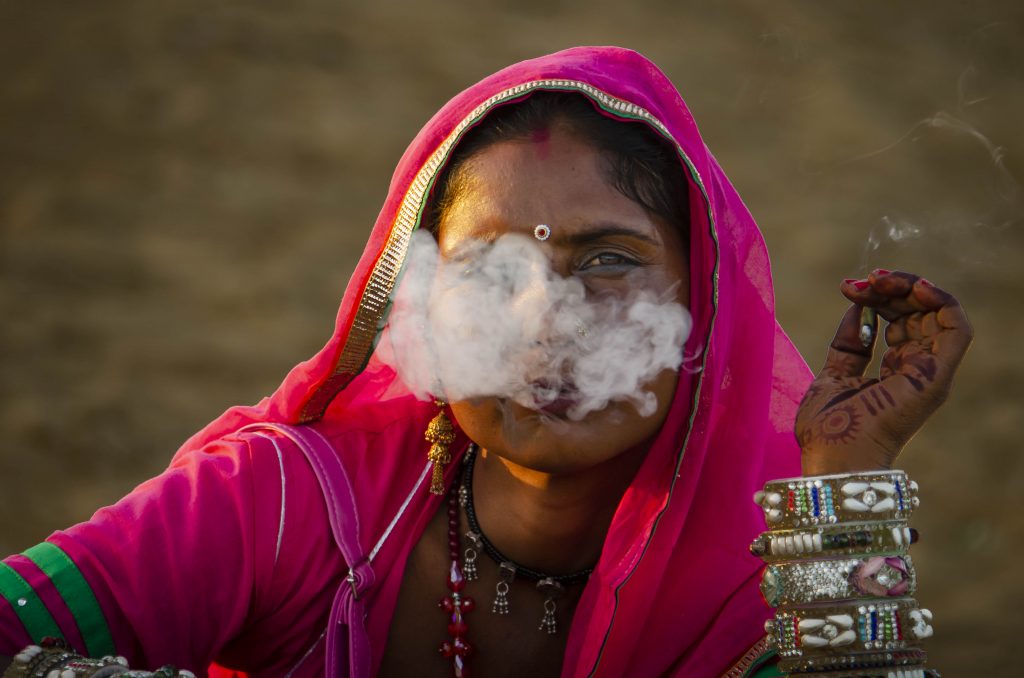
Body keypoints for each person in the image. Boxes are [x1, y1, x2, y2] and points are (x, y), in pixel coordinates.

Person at [0, 46, 971, 677]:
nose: (540, 317)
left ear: (703, 303)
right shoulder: (291, 502)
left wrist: (847, 486)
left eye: (605, 261)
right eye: (487, 267)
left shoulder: (756, 584)